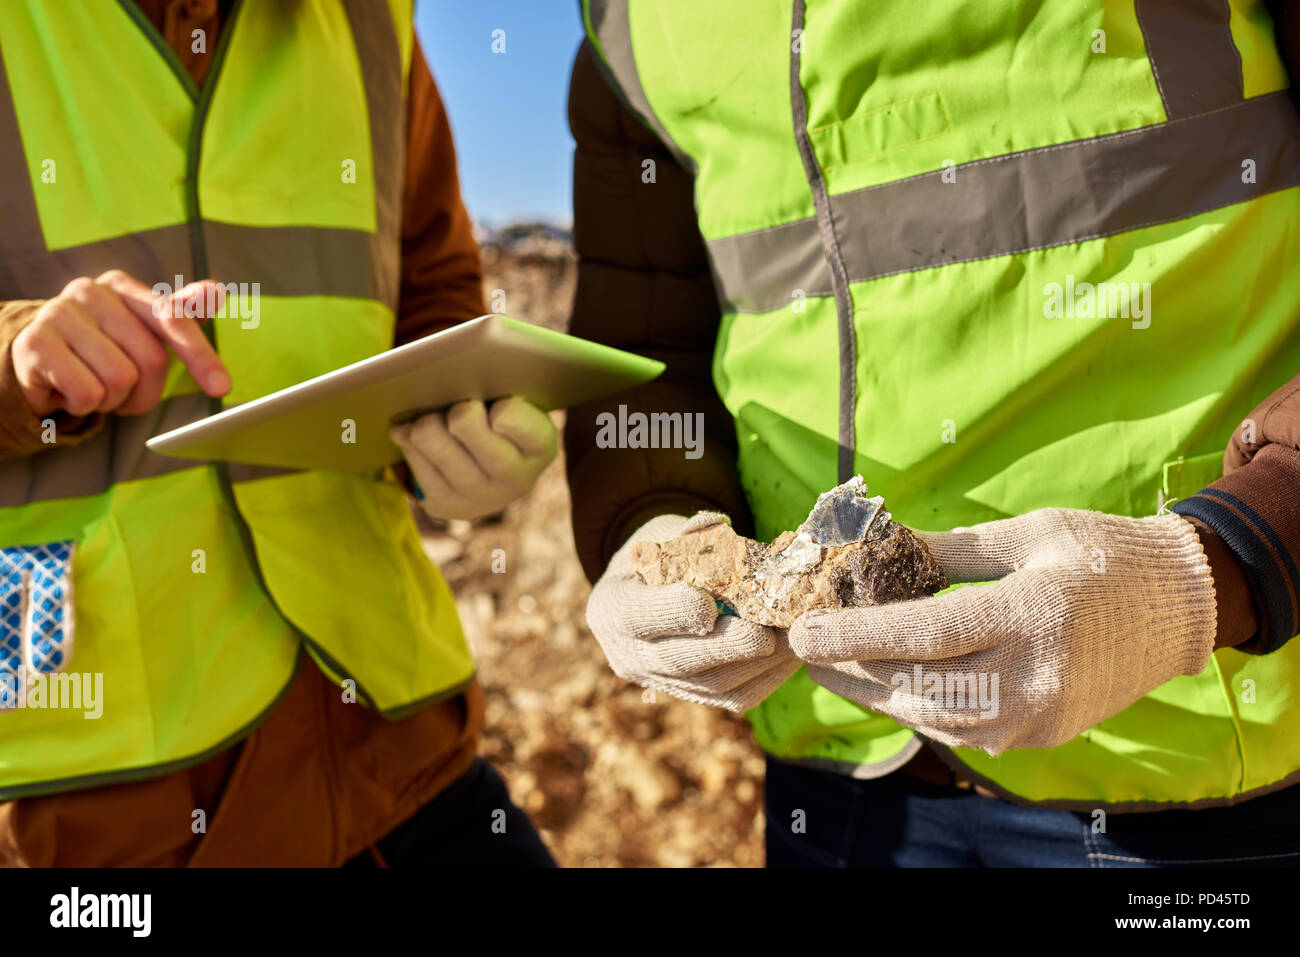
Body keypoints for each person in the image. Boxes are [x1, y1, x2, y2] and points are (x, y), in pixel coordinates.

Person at [568, 0, 1300, 866]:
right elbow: (647, 341)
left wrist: (1227, 556)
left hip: (1190, 764)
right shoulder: (623, 18)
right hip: (839, 772)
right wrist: (647, 520)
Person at [0, 0, 555, 867]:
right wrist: (16, 357)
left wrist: (459, 426)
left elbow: (435, 284)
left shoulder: (375, 21)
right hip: (100, 800)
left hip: (398, 740)